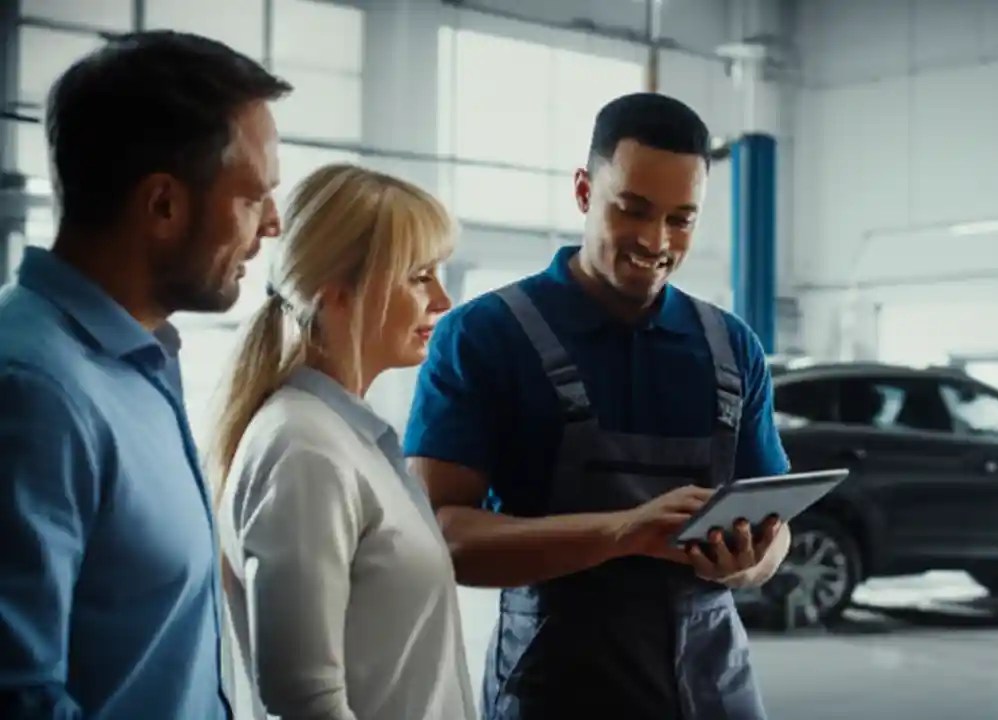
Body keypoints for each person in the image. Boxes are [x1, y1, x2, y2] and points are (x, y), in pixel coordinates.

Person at [405, 92, 793, 720]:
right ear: (584, 192)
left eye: (681, 220)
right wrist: (623, 532)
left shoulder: (731, 347)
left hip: (713, 692)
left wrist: (749, 566)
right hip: (556, 692)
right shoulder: (484, 336)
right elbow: (440, 536)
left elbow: (777, 527)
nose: (656, 241)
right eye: (632, 210)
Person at [0, 32, 289, 719]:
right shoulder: (35, 390)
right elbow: (18, 697)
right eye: (254, 197)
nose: (273, 225)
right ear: (163, 205)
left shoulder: (140, 363)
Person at [214, 164, 474, 720]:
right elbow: (306, 703)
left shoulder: (343, 435)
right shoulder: (303, 449)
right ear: (337, 295)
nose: (443, 299)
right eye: (419, 277)